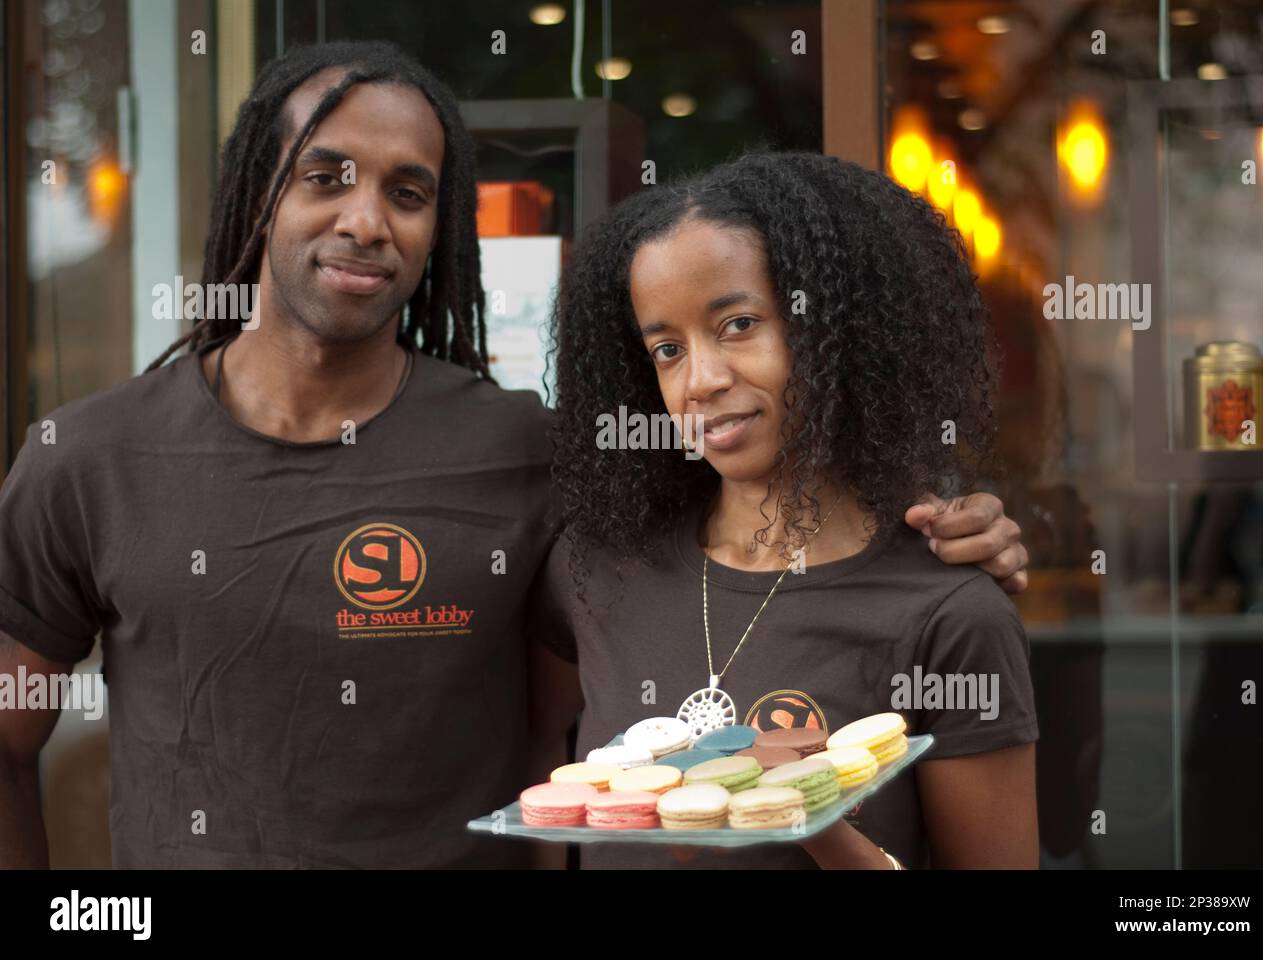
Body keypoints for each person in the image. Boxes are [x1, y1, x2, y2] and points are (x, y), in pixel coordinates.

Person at [0, 41, 1026, 869]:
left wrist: (935, 539)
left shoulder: (528, 453)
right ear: (254, 195)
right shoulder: (88, 457)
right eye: (326, 176)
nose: (365, 218)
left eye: (408, 192)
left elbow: (599, 697)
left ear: (441, 230)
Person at [531, 151, 1039, 869]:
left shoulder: (947, 612)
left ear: (842, 330)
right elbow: (536, 775)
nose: (701, 380)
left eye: (738, 324)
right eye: (668, 348)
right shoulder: (597, 571)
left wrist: (807, 816)